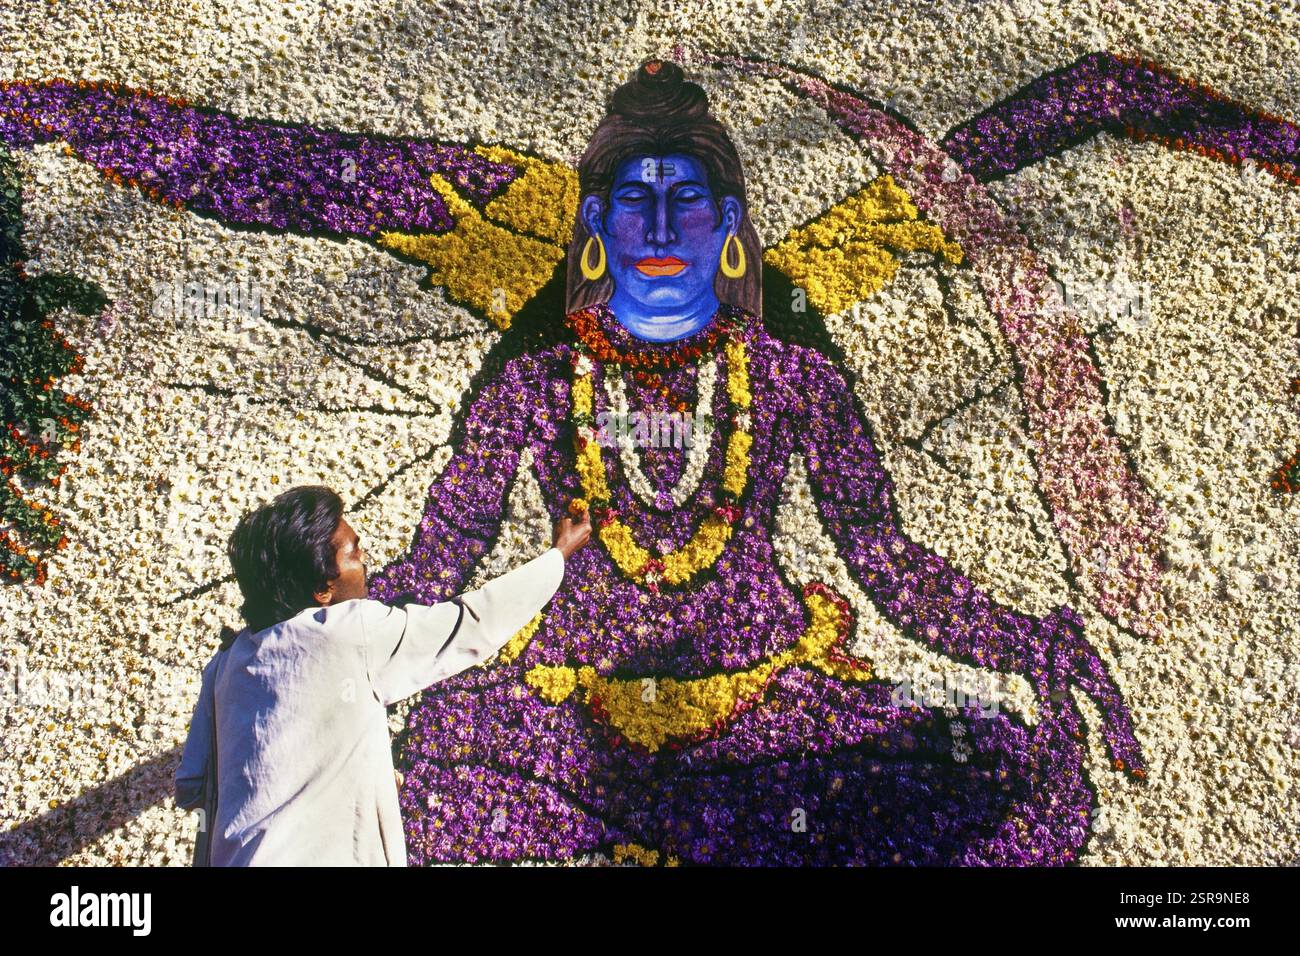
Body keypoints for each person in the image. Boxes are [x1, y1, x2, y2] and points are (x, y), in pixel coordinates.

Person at [363, 59, 1144, 865]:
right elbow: (440, 558)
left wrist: (1025, 643)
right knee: (413, 794)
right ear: (595, 220)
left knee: (986, 771)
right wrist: (308, 630)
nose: (662, 230)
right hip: (561, 720)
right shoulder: (535, 383)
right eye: (636, 201)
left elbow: (882, 557)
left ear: (729, 220)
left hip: (770, 718)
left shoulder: (788, 377)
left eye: (687, 201)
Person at [173, 484, 592, 866]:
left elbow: (195, 787)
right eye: (353, 553)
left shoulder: (224, 667)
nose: (364, 562)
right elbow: (470, 622)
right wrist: (556, 558)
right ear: (323, 588)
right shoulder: (349, 631)